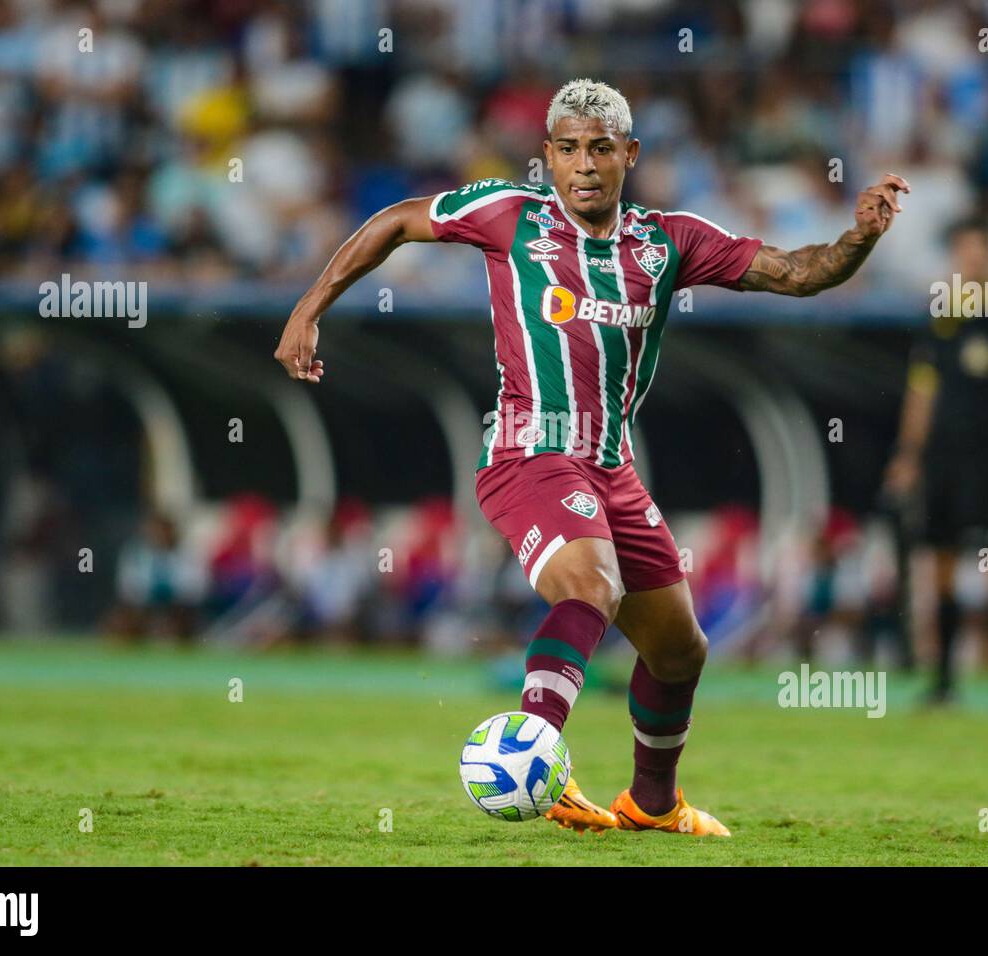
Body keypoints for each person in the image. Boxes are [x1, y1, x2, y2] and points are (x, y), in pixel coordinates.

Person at [276, 79, 908, 836]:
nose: (584, 164)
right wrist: (309, 308)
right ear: (547, 155)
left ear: (629, 155)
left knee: (680, 649)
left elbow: (800, 273)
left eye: (601, 149)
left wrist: (860, 237)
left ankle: (652, 804)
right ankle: (532, 749)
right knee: (592, 583)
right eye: (569, 148)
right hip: (528, 452)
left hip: (611, 466)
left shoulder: (667, 239)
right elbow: (398, 222)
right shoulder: (508, 215)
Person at [882, 218, 988, 709]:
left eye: (979, 252)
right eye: (963, 253)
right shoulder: (941, 315)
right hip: (942, 461)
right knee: (937, 562)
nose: (971, 262)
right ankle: (944, 683)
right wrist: (908, 455)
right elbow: (922, 392)